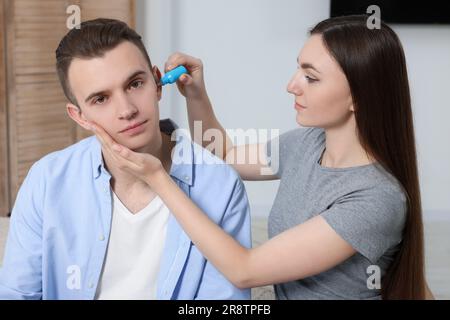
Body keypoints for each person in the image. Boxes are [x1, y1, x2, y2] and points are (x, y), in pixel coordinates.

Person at [91, 15, 435, 299]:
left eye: (310, 77)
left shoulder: (375, 199)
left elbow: (245, 271)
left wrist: (158, 180)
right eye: (298, 69)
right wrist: (196, 94)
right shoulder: (309, 144)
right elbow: (222, 155)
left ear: (357, 98)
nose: (291, 84)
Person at [0, 18, 251, 300]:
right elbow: (18, 294)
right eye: (100, 99)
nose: (127, 110)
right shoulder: (46, 180)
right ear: (79, 115)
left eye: (135, 84)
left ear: (157, 84)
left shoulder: (221, 186)